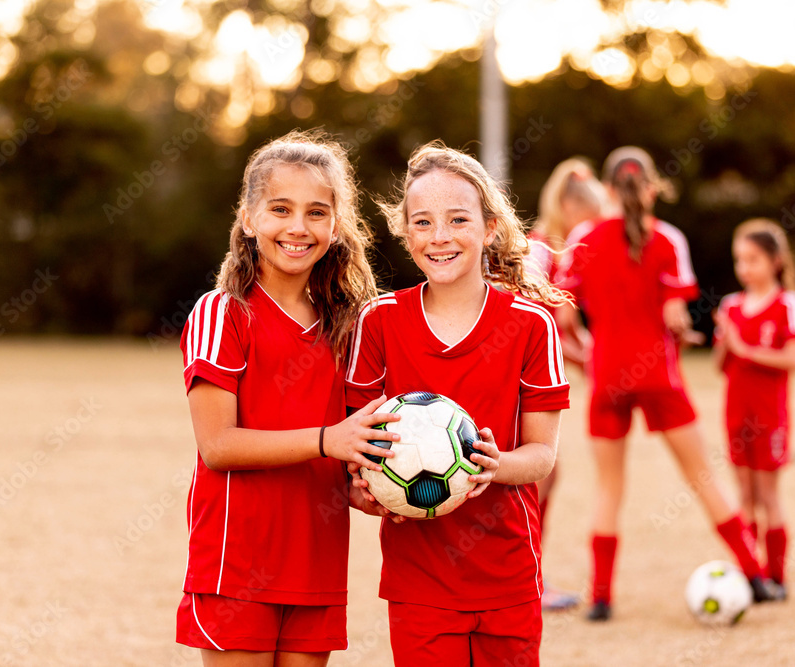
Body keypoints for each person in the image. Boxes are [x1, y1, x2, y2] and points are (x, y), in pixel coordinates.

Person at [175, 130, 402, 667]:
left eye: (317, 212)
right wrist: (331, 442)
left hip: (316, 558)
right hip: (237, 560)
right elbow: (218, 446)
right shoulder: (222, 313)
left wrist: (363, 486)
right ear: (249, 218)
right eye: (281, 209)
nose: (298, 227)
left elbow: (344, 445)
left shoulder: (350, 323)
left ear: (336, 225)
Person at [346, 142, 570, 667]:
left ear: (490, 227)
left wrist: (497, 466)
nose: (439, 237)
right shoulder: (379, 322)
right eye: (422, 222)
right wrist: (361, 488)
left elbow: (541, 456)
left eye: (457, 219)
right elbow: (353, 444)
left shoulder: (530, 324)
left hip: (508, 571)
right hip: (418, 578)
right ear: (404, 232)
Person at [557, 146, 783, 622]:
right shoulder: (668, 240)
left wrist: (587, 353)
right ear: (653, 188)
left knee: (608, 489)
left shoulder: (582, 237)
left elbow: (563, 312)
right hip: (659, 373)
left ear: (607, 190)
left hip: (608, 376)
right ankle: (756, 576)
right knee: (703, 477)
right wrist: (681, 336)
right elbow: (675, 315)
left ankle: (600, 599)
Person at [714, 218, 795, 597]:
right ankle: (750, 576)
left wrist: (744, 348)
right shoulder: (731, 305)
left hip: (770, 415)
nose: (745, 268)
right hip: (736, 412)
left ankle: (777, 577)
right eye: (740, 260)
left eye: (753, 259)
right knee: (745, 496)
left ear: (775, 261)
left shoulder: (789, 303)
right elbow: (721, 366)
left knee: (769, 495)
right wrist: (724, 341)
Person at [528, 157, 605, 611]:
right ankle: (527, 578)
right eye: (588, 219)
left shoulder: (561, 252)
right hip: (520, 379)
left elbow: (567, 331)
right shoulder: (541, 251)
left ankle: (533, 575)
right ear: (570, 208)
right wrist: (591, 359)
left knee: (546, 476)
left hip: (539, 381)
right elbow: (540, 324)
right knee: (539, 475)